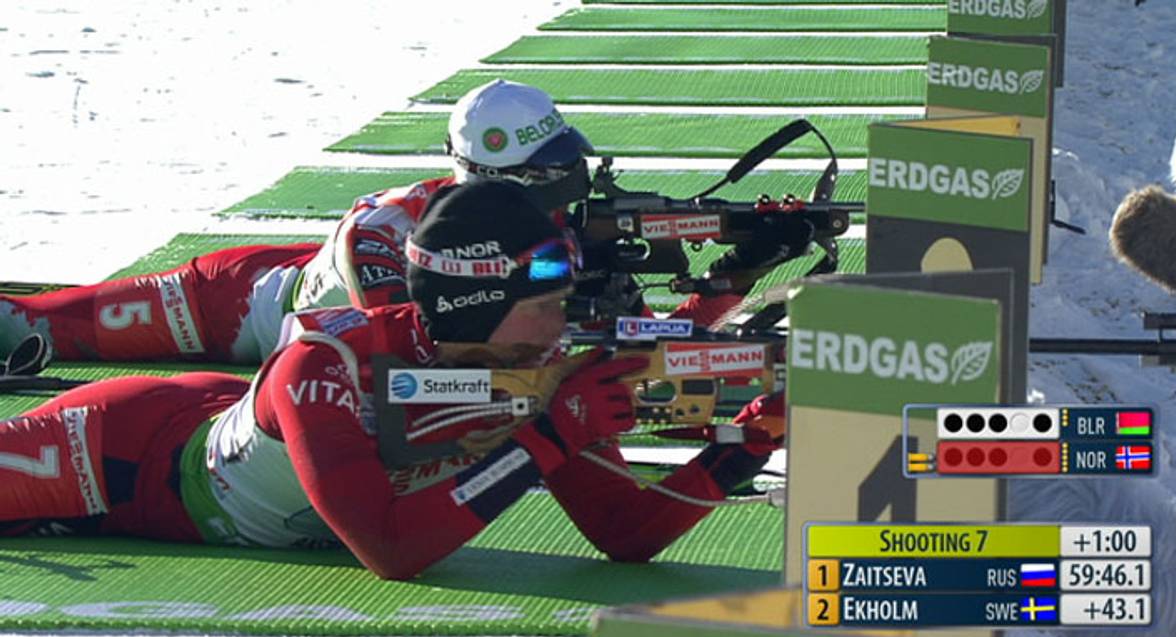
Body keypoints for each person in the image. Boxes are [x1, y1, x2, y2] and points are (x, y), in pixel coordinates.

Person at [0, 180, 785, 580]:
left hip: (204, 429)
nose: (562, 325)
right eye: (544, 305)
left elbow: (626, 532)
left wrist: (750, 441)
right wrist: (550, 436)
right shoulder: (325, 364)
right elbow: (391, 548)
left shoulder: (531, 367)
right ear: (477, 301)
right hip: (116, 452)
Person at [0, 79, 595, 365]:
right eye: (551, 170)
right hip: (237, 307)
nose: (568, 183)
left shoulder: (541, 224)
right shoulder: (384, 228)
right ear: (498, 175)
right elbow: (412, 353)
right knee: (35, 325)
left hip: (298, 272)